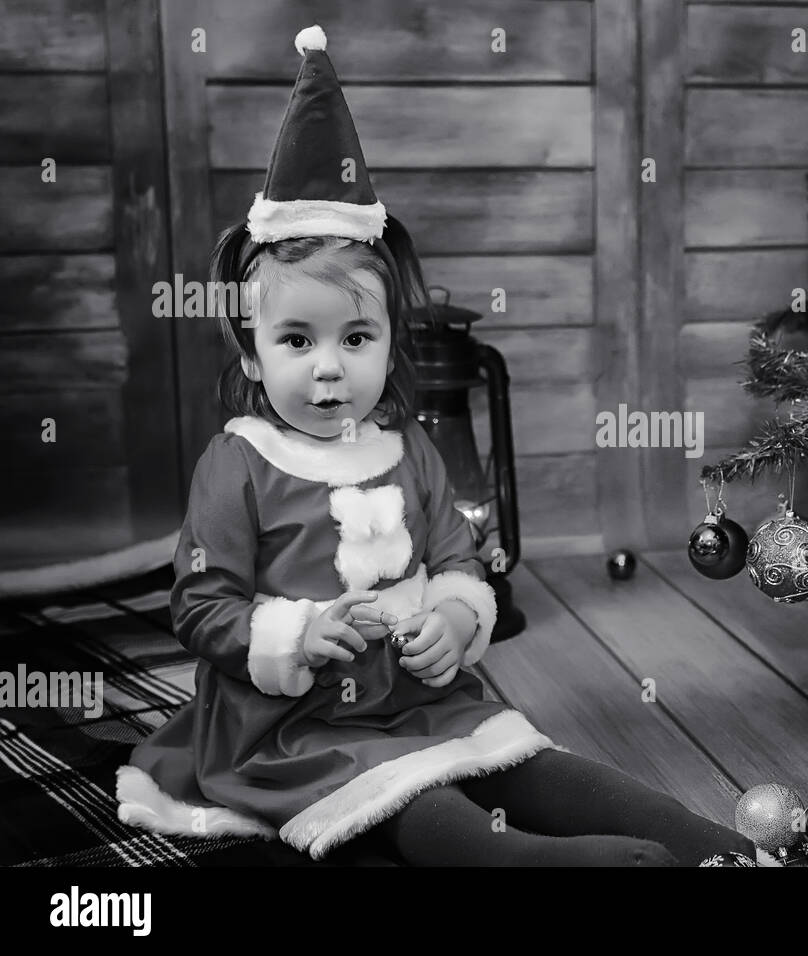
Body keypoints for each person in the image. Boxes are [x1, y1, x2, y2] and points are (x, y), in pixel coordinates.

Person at [115, 24, 759, 868]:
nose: (328, 370)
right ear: (251, 351)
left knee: (532, 765)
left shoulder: (407, 449)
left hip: (420, 699)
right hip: (292, 730)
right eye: (297, 341)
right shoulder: (236, 465)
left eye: (355, 338)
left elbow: (462, 560)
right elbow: (201, 607)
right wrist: (297, 637)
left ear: (391, 341)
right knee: (420, 809)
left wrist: (458, 618)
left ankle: (715, 848)